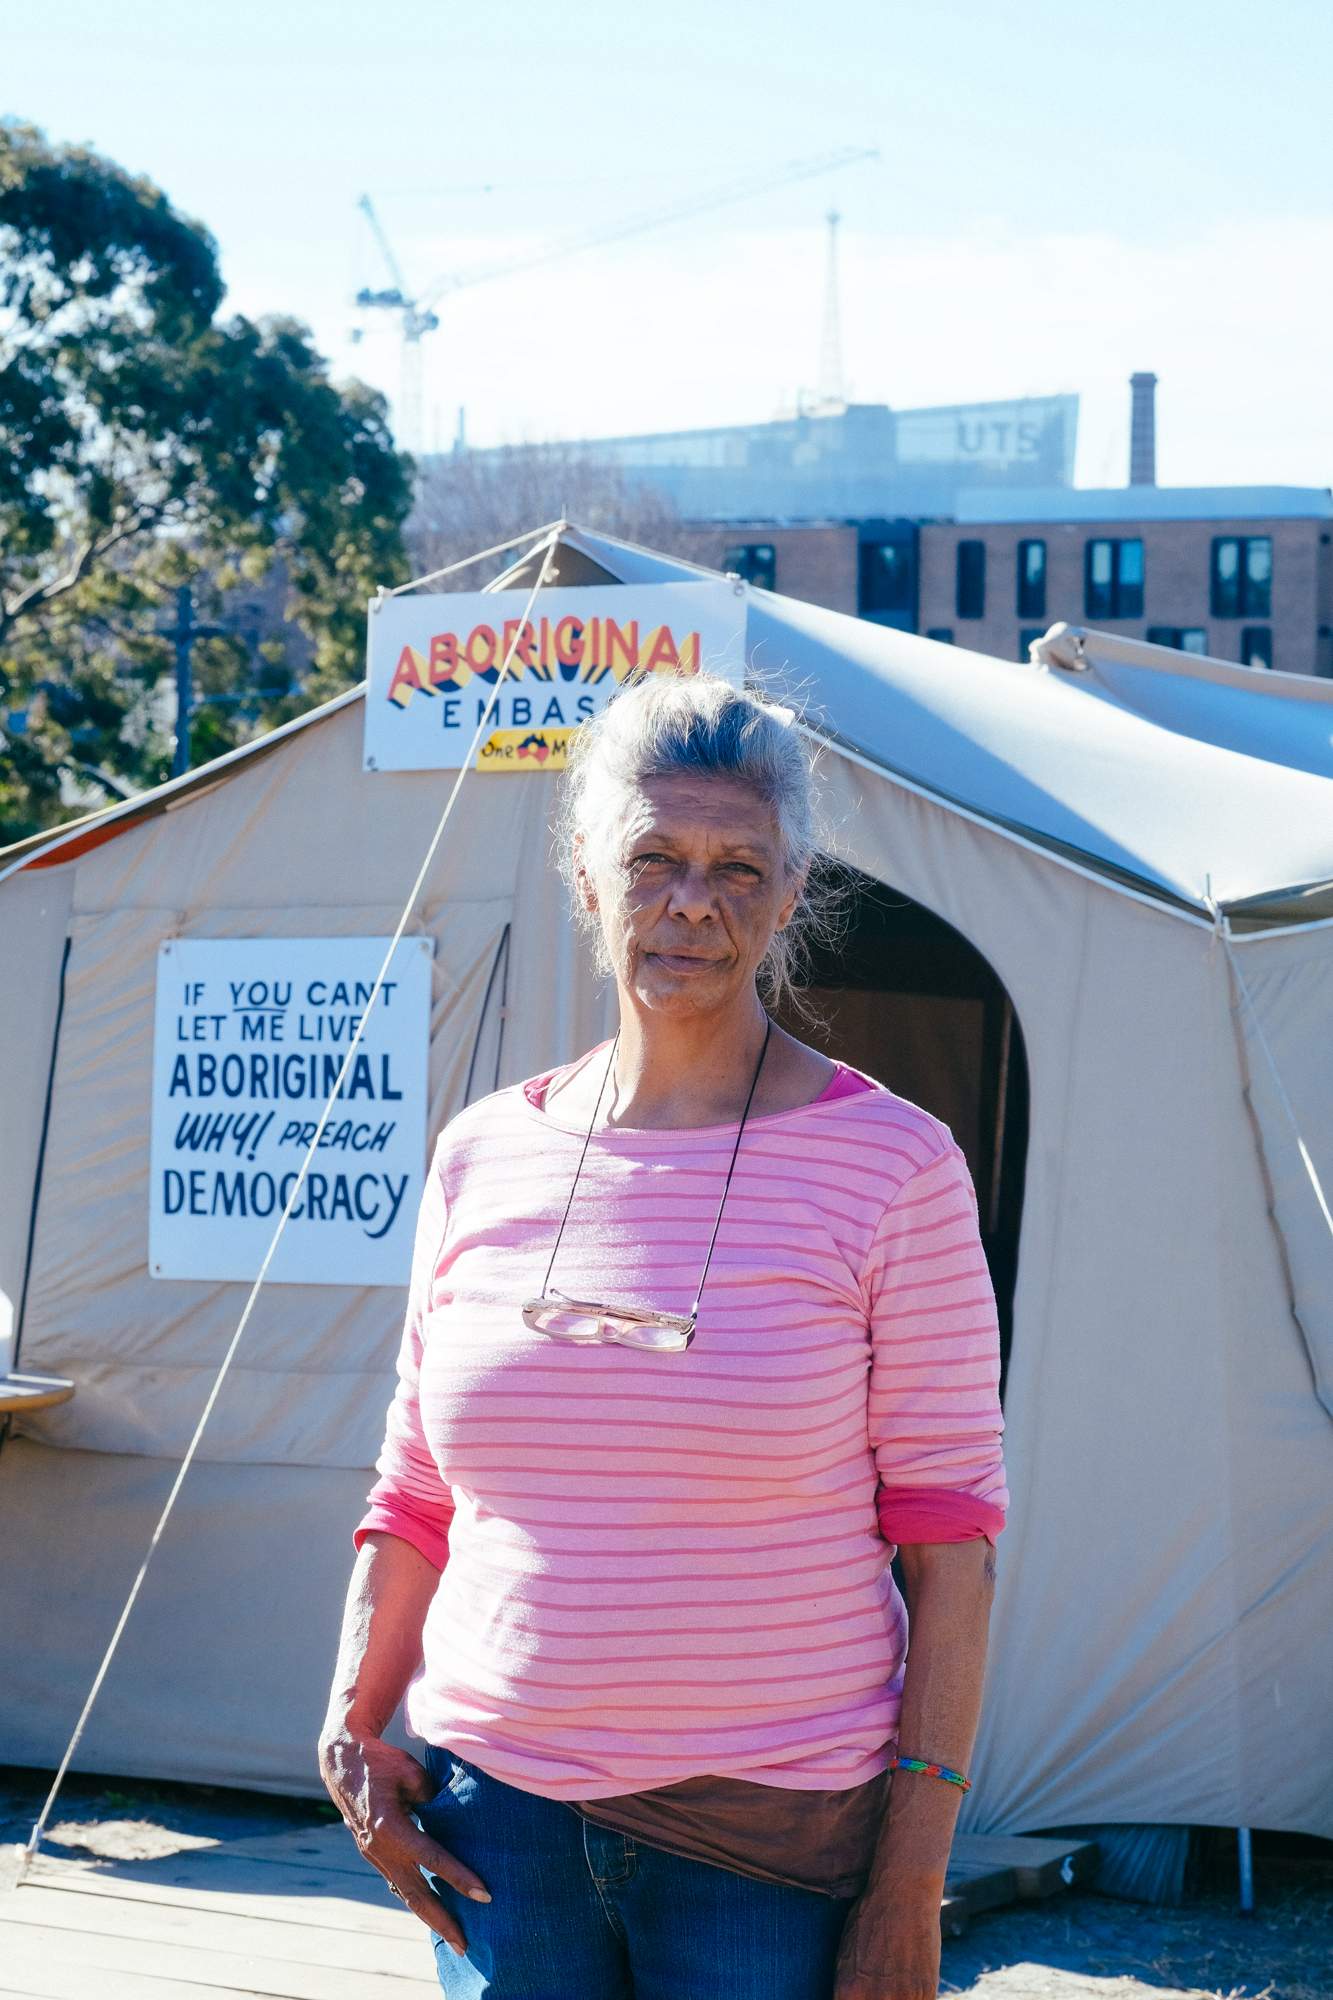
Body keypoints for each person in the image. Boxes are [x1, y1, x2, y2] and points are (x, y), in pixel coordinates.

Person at [319, 672, 1008, 2000]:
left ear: (790, 896)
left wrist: (908, 1889)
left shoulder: (895, 1170)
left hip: (767, 1845)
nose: (692, 900)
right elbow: (414, 1493)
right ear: (587, 874)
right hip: (493, 1827)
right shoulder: (480, 1155)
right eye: (653, 859)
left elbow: (953, 1551)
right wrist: (351, 1724)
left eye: (737, 867)